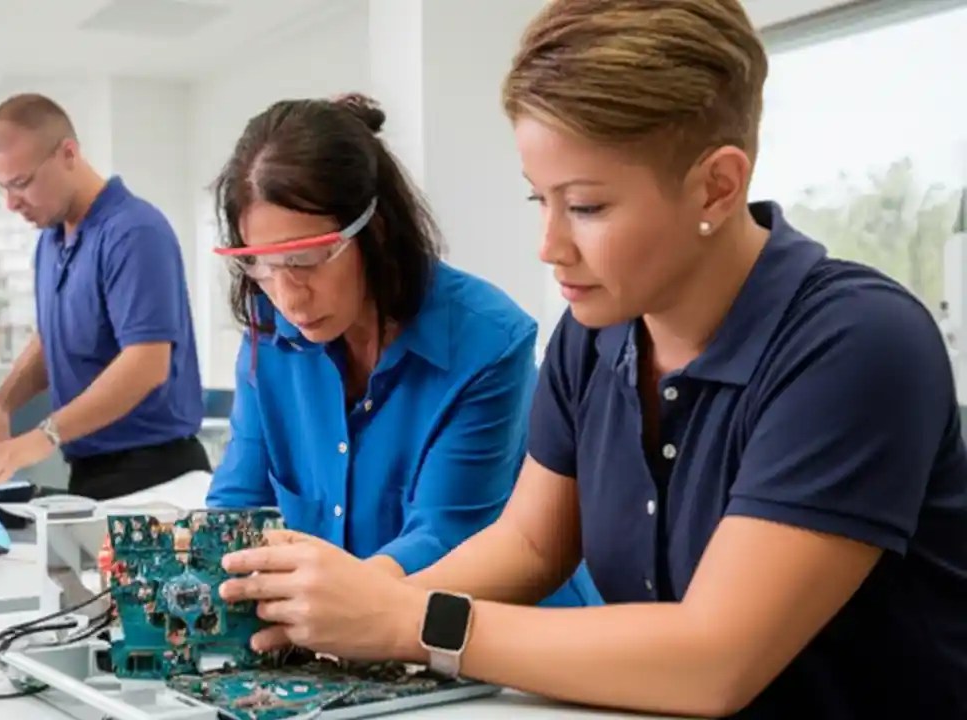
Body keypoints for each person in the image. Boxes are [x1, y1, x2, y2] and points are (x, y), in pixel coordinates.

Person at [215, 2, 967, 718]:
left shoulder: (857, 345)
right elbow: (532, 544)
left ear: (718, 184)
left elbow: (715, 658)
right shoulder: (594, 336)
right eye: (537, 200)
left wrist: (411, 620)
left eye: (586, 207)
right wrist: (363, 613)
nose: (550, 246)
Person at [205, 93, 599, 604]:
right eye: (259, 265)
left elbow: (445, 533)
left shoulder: (487, 341)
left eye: (305, 260)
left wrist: (342, 608)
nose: (287, 294)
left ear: (375, 230)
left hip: (491, 631)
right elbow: (239, 504)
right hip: (340, 637)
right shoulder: (269, 334)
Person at [0, 93, 208, 499]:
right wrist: (2, 406)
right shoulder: (50, 243)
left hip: (158, 476)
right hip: (90, 474)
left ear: (68, 153)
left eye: (21, 184)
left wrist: (43, 435)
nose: (11, 204)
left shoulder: (133, 232)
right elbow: (52, 341)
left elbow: (147, 363)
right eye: (1, 188)